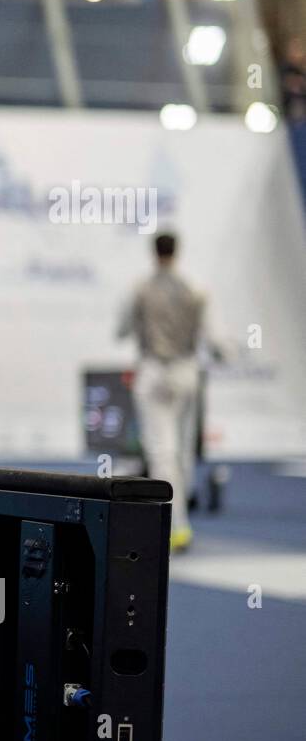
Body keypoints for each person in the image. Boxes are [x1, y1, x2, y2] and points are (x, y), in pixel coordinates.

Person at [117, 232, 220, 552]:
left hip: (154, 373)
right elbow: (213, 340)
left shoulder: (140, 289)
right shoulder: (196, 290)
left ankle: (175, 524)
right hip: (186, 373)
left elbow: (122, 330)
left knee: (163, 453)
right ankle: (180, 522)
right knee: (184, 450)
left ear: (154, 252)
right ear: (177, 251)